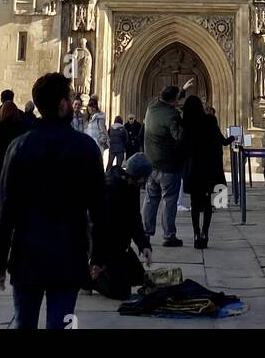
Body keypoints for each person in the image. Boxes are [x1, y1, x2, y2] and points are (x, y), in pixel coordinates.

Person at [0, 72, 106, 330]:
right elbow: (99, 208)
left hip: (26, 255)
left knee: (25, 324)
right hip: (68, 254)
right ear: (64, 105)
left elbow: (5, 210)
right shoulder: (86, 147)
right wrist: (98, 256)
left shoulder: (19, 147)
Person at [92, 153, 152, 299]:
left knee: (139, 278)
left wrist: (143, 245)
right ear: (137, 176)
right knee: (121, 293)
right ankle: (90, 280)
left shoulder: (132, 186)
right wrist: (97, 261)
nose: (145, 181)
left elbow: (134, 219)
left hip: (120, 245)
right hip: (107, 244)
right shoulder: (111, 188)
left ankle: (110, 269)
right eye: (144, 178)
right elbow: (99, 228)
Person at [142, 81, 194, 247]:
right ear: (173, 102)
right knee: (169, 200)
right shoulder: (172, 115)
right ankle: (169, 235)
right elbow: (180, 137)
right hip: (168, 165)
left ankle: (146, 233)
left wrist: (182, 90)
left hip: (151, 164)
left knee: (150, 199)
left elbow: (167, 99)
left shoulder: (152, 106)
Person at [181, 94, 227, 249]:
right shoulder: (210, 120)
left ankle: (196, 234)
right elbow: (220, 141)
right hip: (208, 168)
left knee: (195, 203)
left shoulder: (186, 124)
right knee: (207, 202)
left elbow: (181, 146)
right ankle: (205, 233)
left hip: (193, 169)